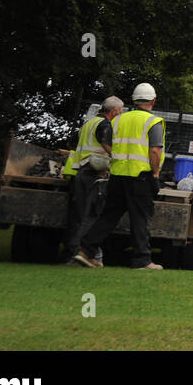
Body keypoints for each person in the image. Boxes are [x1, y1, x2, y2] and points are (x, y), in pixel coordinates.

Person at [75, 83, 166, 270]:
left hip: (117, 175)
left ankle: (85, 251)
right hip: (140, 176)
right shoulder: (154, 122)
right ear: (153, 100)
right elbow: (155, 151)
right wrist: (155, 173)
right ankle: (142, 260)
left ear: (134, 100)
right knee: (140, 218)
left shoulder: (117, 120)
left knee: (109, 216)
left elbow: (109, 144)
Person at [60, 96, 121, 265]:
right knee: (92, 215)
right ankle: (85, 254)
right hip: (95, 173)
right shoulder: (104, 124)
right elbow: (107, 145)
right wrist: (118, 159)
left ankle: (71, 254)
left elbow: (73, 143)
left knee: (78, 215)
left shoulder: (88, 123)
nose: (120, 113)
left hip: (81, 172)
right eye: (120, 110)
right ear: (114, 111)